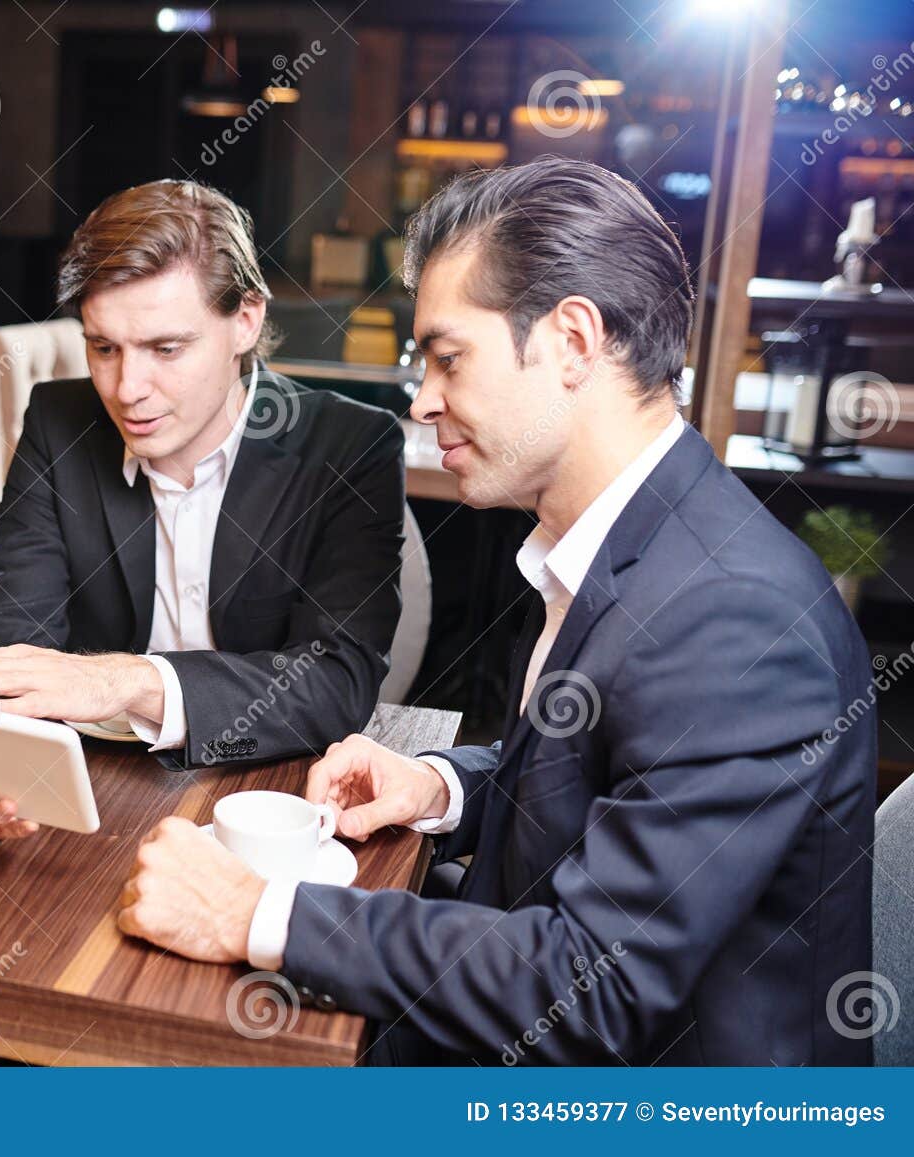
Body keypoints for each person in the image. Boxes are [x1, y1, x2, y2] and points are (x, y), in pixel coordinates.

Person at [116, 158, 877, 1065]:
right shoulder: (630, 539)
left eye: (448, 357)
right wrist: (442, 786)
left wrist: (253, 912)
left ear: (572, 341)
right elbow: (605, 782)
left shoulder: (730, 616)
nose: (423, 397)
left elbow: (592, 990)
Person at [0, 180, 405, 840]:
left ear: (245, 319)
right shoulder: (60, 421)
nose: (127, 390)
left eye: (166, 349)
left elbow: (335, 681)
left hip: (269, 802)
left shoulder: (351, 445)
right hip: (83, 797)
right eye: (103, 348)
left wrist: (131, 682)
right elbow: (7, 625)